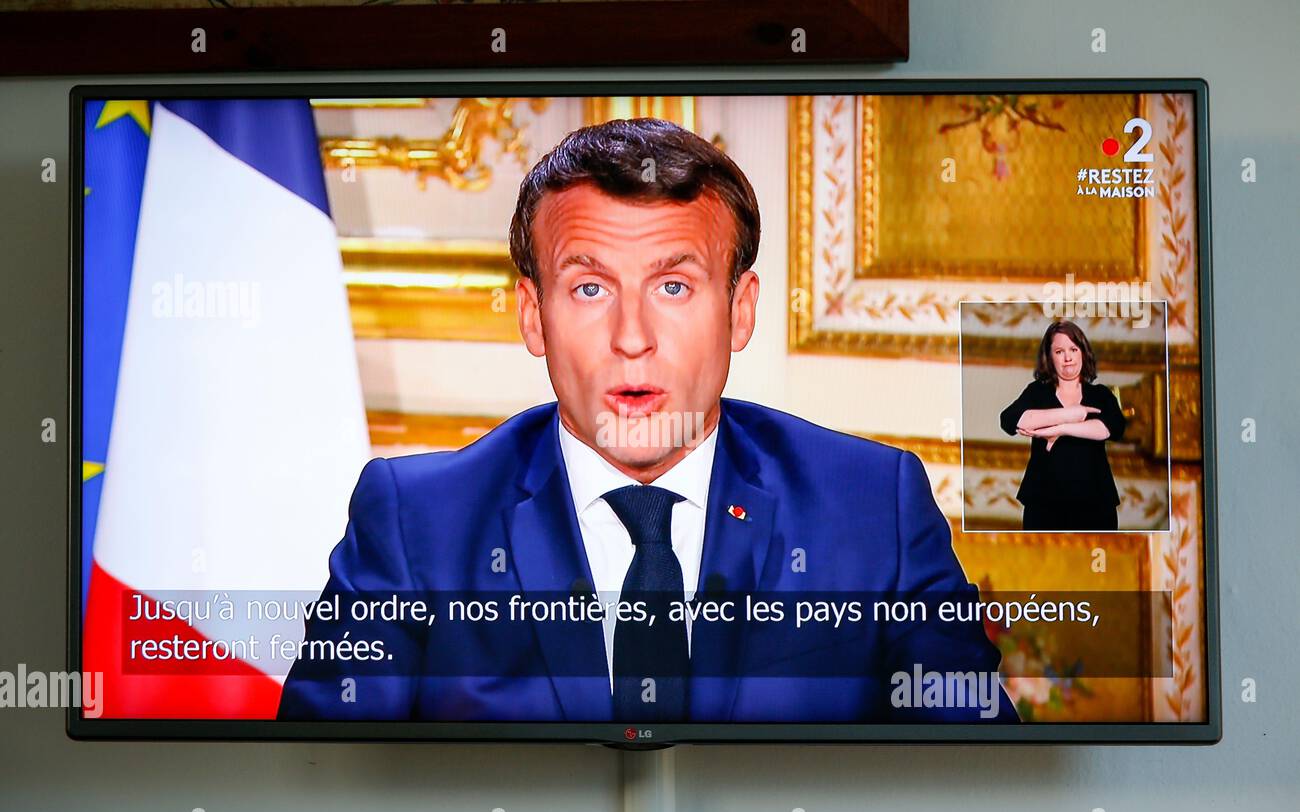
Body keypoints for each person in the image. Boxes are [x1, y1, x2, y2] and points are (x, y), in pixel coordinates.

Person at [278, 118, 1017, 724]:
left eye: (673, 284)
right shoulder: (415, 522)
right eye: (591, 287)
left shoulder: (871, 507)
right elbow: (320, 796)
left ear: (741, 309)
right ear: (534, 317)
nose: (633, 336)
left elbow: (977, 789)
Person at [999, 321, 1128, 531]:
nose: (1068, 358)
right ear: (1049, 357)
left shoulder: (1100, 395)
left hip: (1095, 503)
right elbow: (1011, 420)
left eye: (1073, 349)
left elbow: (1112, 428)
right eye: (1059, 351)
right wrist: (1072, 414)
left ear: (1083, 353)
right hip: (1044, 504)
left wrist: (1060, 428)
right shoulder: (1037, 392)